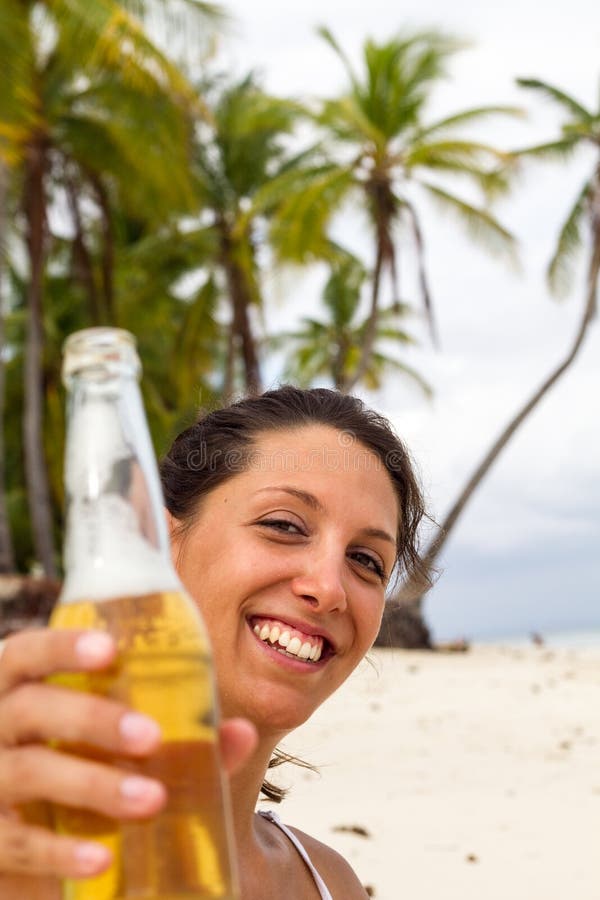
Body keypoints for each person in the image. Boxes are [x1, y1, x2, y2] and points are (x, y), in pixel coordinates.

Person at [0, 386, 428, 899]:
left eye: (366, 561)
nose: (329, 588)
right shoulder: (27, 841)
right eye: (284, 525)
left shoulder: (330, 883)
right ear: (154, 547)